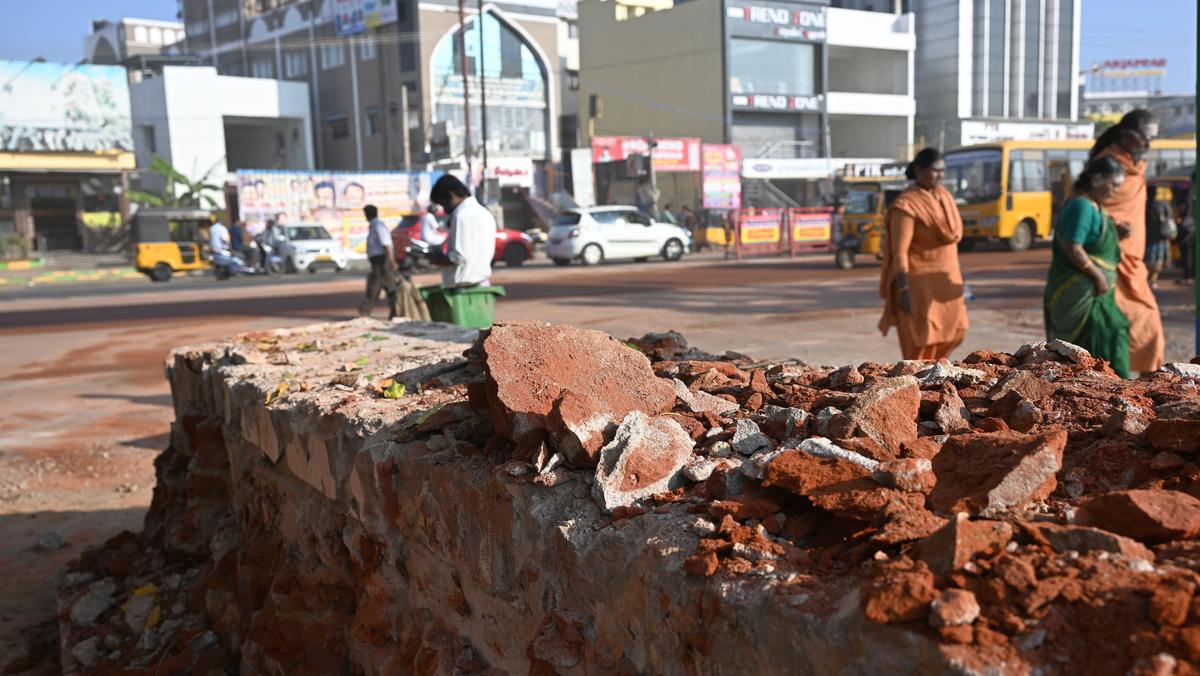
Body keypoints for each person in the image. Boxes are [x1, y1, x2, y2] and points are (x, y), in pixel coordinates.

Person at [1090, 109, 1165, 373]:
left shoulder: (1138, 166)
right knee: (1112, 334)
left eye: (1152, 139)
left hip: (1133, 264)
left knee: (1150, 330)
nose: (1148, 145)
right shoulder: (1106, 164)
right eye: (1144, 138)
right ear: (1125, 135)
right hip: (1106, 264)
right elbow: (1086, 205)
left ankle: (1149, 391)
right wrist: (1110, 225)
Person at [1044, 156, 1131, 378]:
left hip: (1096, 294)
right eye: (1113, 184)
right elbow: (1073, 246)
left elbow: (1093, 238)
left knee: (1113, 333)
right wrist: (1098, 277)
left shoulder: (1091, 205)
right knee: (1104, 336)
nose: (1114, 191)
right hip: (1082, 293)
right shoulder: (1081, 205)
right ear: (1096, 179)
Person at [878, 148, 969, 360]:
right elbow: (898, 252)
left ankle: (936, 379)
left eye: (943, 171)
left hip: (946, 283)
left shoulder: (944, 196)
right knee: (921, 341)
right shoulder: (906, 205)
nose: (941, 175)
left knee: (957, 330)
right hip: (917, 286)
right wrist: (903, 289)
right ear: (919, 170)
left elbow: (953, 239)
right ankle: (918, 388)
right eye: (936, 170)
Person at [430, 175, 494, 287]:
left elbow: (459, 256)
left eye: (443, 204)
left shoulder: (461, 216)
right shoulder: (484, 213)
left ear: (451, 196)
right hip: (482, 283)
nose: (444, 210)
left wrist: (438, 260)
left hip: (464, 287)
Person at [358, 204, 398, 319]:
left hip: (382, 260)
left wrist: (391, 260)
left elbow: (387, 244)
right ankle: (395, 310)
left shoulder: (378, 226)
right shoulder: (373, 226)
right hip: (377, 261)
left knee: (378, 285)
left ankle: (365, 311)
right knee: (383, 285)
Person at [1144, 186, 1175, 289]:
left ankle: (1148, 279)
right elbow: (1170, 216)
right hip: (1161, 237)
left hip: (1147, 236)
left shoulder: (1144, 204)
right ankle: (1153, 280)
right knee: (1158, 261)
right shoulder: (1163, 204)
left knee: (1147, 260)